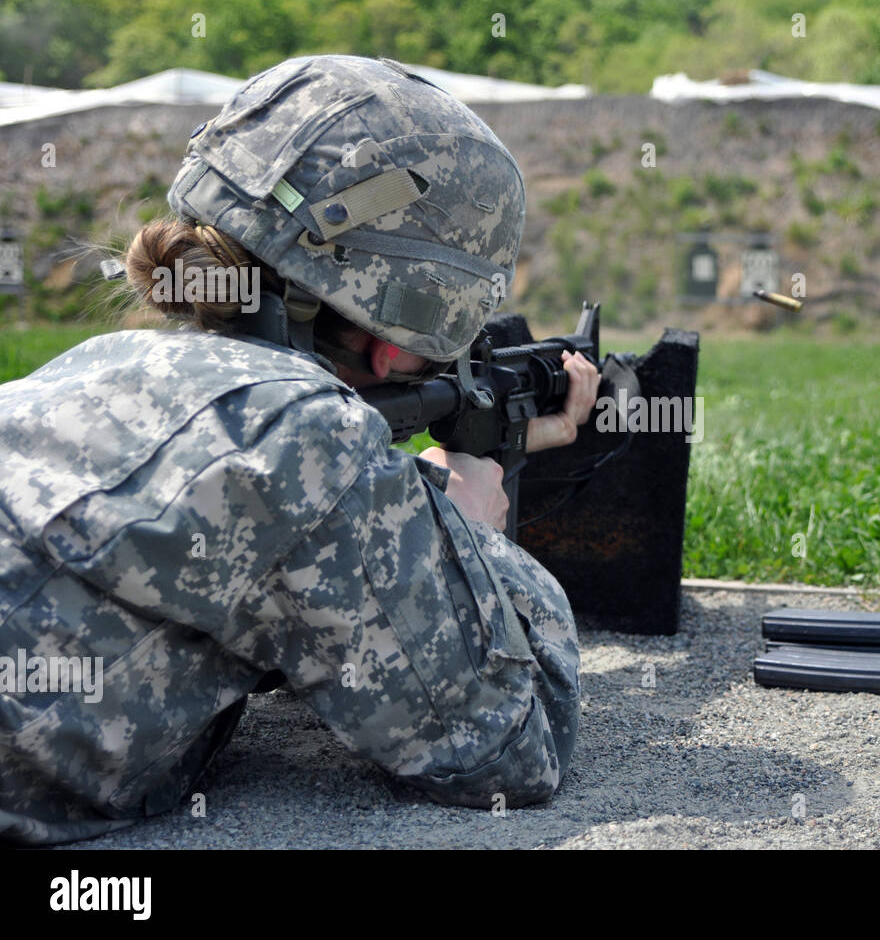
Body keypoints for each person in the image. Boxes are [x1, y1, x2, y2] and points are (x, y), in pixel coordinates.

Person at [0, 54, 597, 845]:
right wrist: (474, 532)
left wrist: (394, 495)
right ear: (394, 343)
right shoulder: (305, 436)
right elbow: (509, 743)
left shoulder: (75, 375)